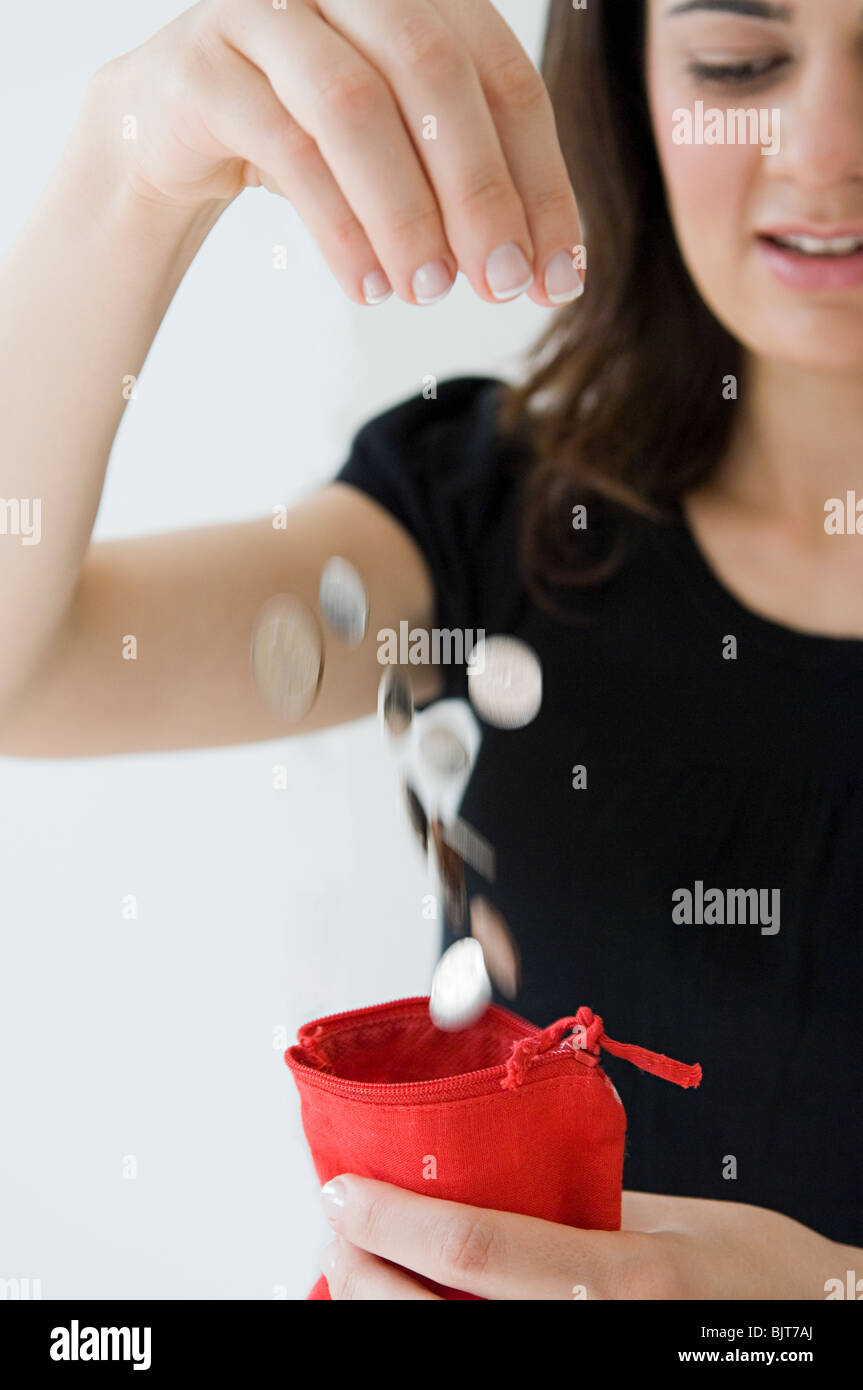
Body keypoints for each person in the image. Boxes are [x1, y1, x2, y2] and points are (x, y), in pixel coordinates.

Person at [1, 0, 861, 1299]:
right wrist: (130, 166)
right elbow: (29, 670)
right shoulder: (488, 522)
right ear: (628, 85)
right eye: (740, 63)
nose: (829, 148)